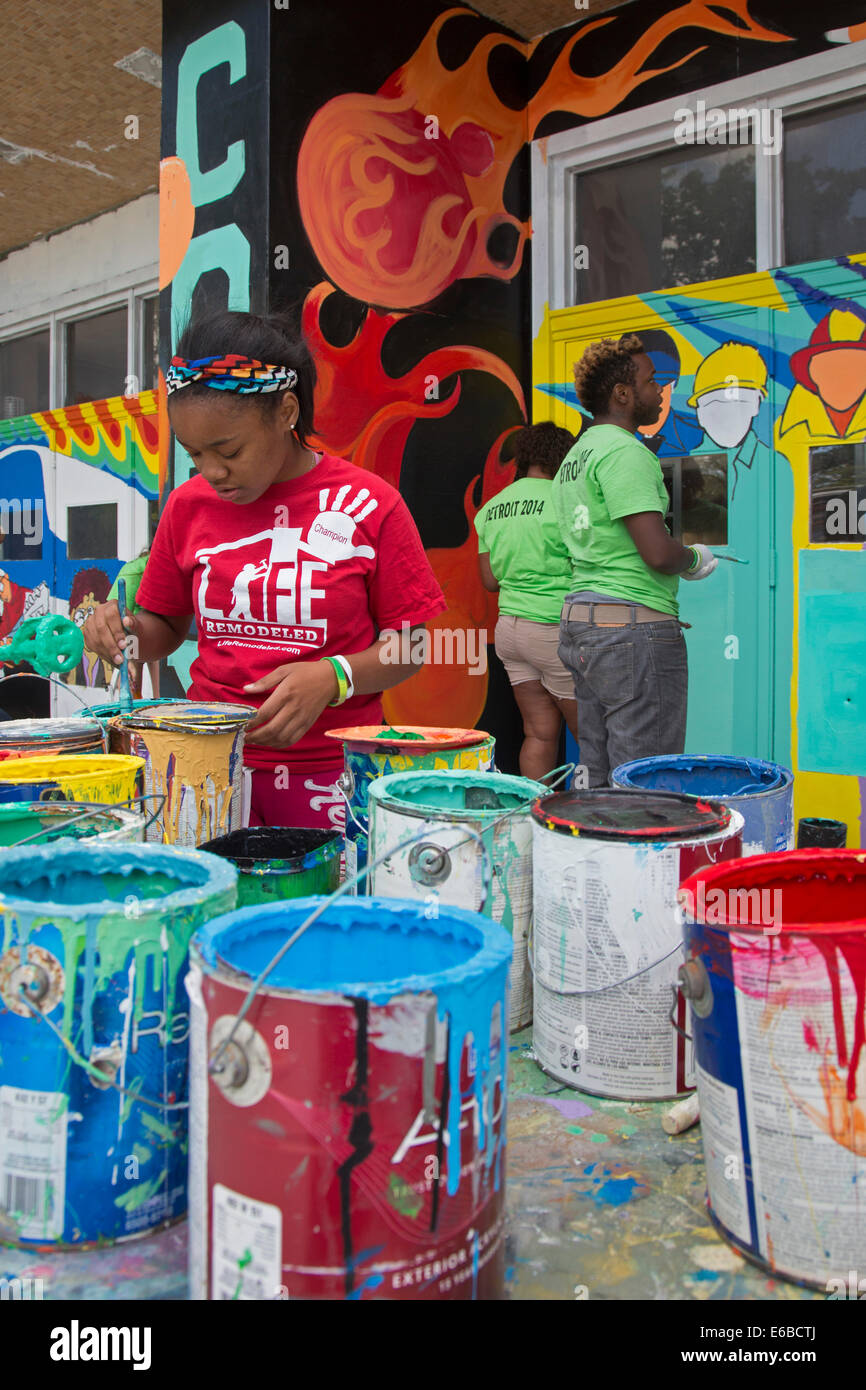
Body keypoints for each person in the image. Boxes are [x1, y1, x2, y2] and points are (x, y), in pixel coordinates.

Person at [83, 309, 445, 829]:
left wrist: (335, 676)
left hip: (333, 778)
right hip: (204, 771)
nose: (212, 472)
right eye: (194, 454)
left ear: (287, 411)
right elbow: (162, 631)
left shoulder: (370, 504)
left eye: (229, 450)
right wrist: (123, 633)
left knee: (320, 909)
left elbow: (411, 648)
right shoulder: (188, 507)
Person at [551, 334, 718, 788]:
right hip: (631, 629)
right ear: (622, 394)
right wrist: (696, 559)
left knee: (599, 772)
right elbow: (658, 553)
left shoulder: (576, 456)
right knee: (645, 782)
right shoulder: (626, 452)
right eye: (651, 381)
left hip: (583, 624)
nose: (660, 390)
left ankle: (598, 855)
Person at [474, 423, 579, 780]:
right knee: (594, 737)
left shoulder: (490, 510)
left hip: (510, 631)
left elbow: (489, 580)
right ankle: (603, 827)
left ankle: (535, 820)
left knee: (538, 733)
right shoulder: (566, 502)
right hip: (553, 628)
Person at [107, 548, 160, 699]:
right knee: (132, 673)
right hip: (130, 627)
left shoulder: (147, 566)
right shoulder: (138, 569)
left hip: (145, 627)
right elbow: (117, 613)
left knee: (152, 659)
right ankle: (132, 702)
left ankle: (154, 698)